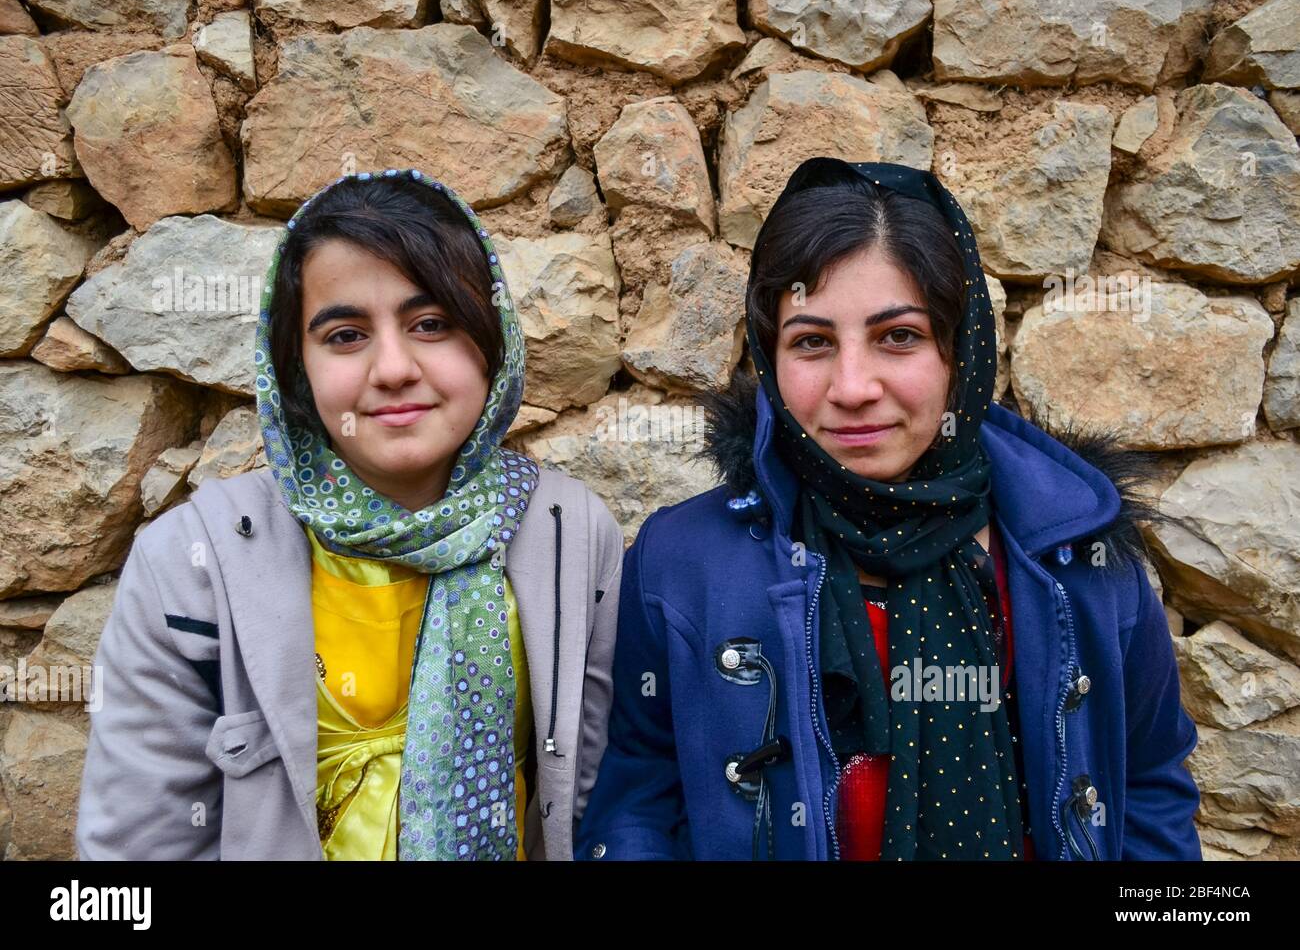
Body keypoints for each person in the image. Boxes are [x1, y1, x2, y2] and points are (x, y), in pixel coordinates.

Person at [574, 157, 1201, 861]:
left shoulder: (1078, 554)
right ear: (768, 356)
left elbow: (1146, 784)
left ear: (958, 349)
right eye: (811, 341)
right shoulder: (683, 562)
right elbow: (638, 796)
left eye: (897, 336)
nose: (852, 386)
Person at [77, 168, 624, 860]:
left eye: (432, 324)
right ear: (294, 368)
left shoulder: (567, 535)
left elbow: (588, 798)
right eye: (344, 335)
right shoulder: (194, 565)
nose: (393, 367)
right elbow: (138, 847)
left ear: (493, 342)